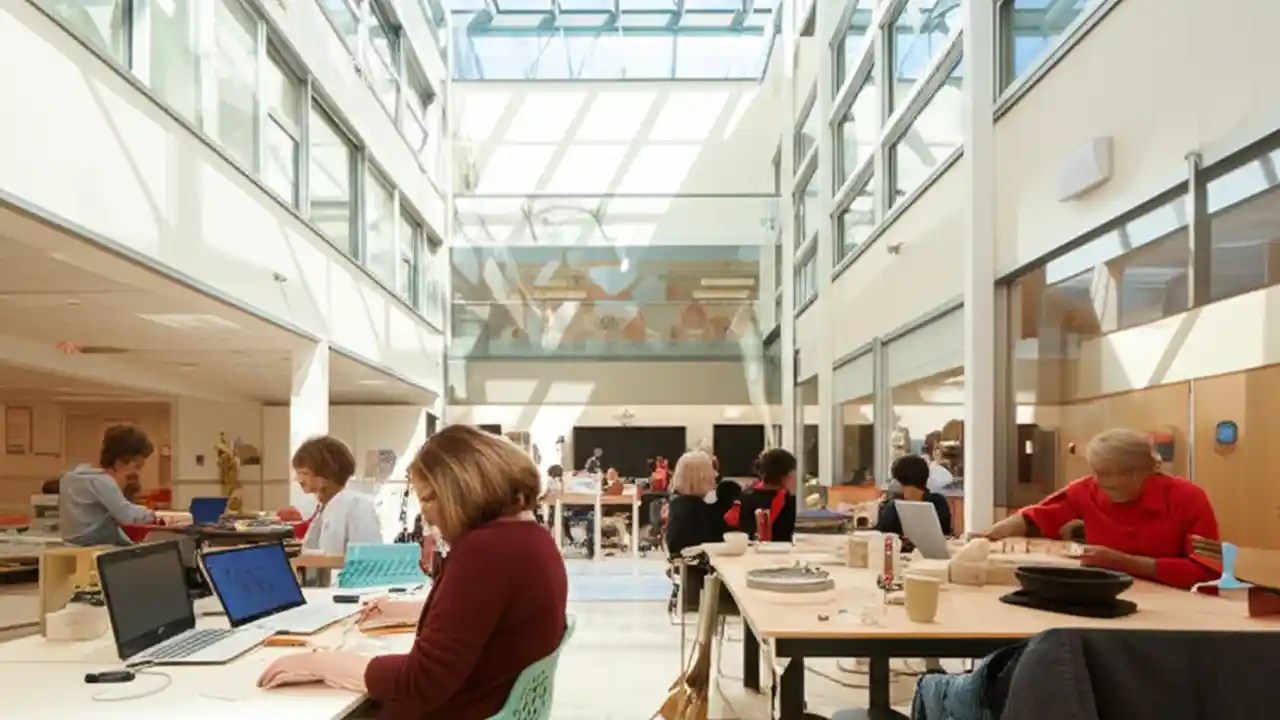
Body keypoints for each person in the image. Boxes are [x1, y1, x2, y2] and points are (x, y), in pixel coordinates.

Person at [259, 425, 568, 719]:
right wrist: (406, 609)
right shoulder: (531, 538)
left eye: (429, 498)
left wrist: (320, 663)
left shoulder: (485, 551)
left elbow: (420, 682)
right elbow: (487, 615)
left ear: (464, 491)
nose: (426, 511)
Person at [979, 428, 1219, 590]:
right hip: (1106, 593)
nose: (1098, 481)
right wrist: (994, 533)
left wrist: (1129, 563)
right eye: (1095, 472)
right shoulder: (1087, 489)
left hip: (1173, 604)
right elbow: (1039, 516)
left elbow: (1207, 571)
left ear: (1138, 472)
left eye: (1105, 474)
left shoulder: (1188, 499)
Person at [59, 425, 158, 546]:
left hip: (71, 544)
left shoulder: (70, 477)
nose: (136, 473)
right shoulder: (103, 482)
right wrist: (151, 514)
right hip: (95, 545)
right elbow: (128, 516)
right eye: (136, 466)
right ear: (120, 462)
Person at [293, 435, 382, 556]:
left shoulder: (357, 506)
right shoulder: (324, 508)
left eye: (305, 473)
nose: (300, 480)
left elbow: (368, 559)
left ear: (326, 474)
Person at [664, 451, 729, 557]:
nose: (714, 474)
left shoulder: (680, 505)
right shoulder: (691, 509)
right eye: (711, 469)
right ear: (702, 476)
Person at [876, 455, 953, 538]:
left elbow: (944, 535)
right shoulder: (891, 505)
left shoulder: (937, 503)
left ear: (902, 481)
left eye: (895, 479)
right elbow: (883, 535)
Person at [734, 449, 798, 543]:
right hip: (779, 552)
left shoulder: (745, 495)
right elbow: (784, 536)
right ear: (785, 475)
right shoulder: (786, 499)